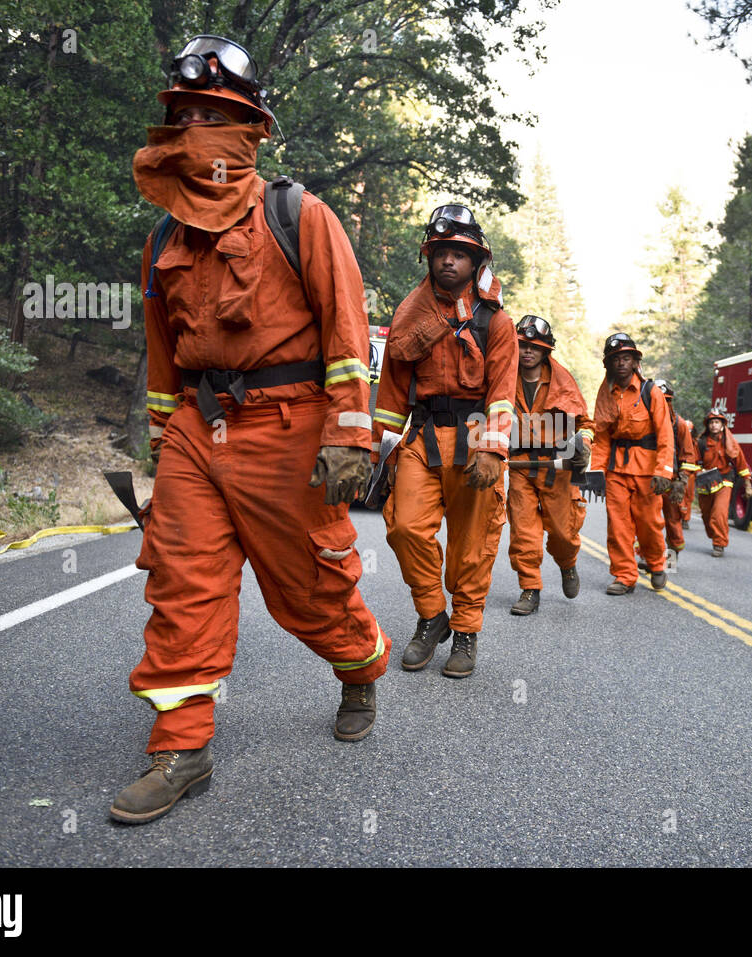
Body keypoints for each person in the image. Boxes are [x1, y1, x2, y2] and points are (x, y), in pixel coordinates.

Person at [113, 36, 388, 825]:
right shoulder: (163, 241)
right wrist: (165, 445)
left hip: (291, 430)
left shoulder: (298, 216)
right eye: (183, 116)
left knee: (311, 587)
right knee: (181, 581)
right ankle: (181, 745)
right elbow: (163, 355)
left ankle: (359, 664)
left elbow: (345, 331)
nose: (193, 131)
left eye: (213, 116)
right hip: (203, 429)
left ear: (249, 129)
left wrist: (348, 434)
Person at [374, 204, 518, 677]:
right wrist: (383, 455)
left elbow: (502, 392)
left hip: (476, 434)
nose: (449, 261)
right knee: (404, 527)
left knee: (471, 546)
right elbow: (392, 396)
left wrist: (494, 449)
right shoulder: (408, 315)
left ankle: (466, 632)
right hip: (422, 434)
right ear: (429, 257)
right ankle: (432, 616)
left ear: (476, 262)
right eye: (441, 252)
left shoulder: (496, 322)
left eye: (460, 253)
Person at [506, 315, 594, 615]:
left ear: (546, 351)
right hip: (519, 466)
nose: (527, 351)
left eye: (534, 347)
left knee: (562, 532)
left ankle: (567, 564)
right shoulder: (504, 376)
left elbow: (585, 423)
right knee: (523, 531)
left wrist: (584, 443)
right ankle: (530, 587)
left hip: (557, 467)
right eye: (522, 345)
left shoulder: (562, 380)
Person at [591, 333, 674, 594]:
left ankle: (658, 564)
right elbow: (602, 436)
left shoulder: (651, 392)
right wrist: (596, 472)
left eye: (626, 358)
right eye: (616, 359)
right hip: (616, 470)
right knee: (618, 526)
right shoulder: (606, 394)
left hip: (648, 471)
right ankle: (624, 575)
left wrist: (664, 471)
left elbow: (665, 435)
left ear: (635, 361)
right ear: (609, 364)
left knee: (649, 523)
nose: (621, 364)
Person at [696, 409, 752, 557]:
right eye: (712, 422)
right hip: (706, 483)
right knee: (707, 515)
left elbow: (741, 463)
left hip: (724, 481)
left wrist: (747, 483)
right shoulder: (701, 443)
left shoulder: (730, 442)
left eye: (717, 422)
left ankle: (719, 544)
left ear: (722, 425)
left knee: (719, 513)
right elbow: (693, 462)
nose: (714, 425)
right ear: (707, 425)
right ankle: (714, 535)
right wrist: (698, 471)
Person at [656, 381, 700, 566]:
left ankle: (671, 560)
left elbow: (689, 457)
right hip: (649, 481)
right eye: (658, 401)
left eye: (666, 401)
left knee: (673, 523)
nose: (662, 405)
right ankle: (650, 559)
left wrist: (681, 482)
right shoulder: (643, 423)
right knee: (647, 522)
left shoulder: (679, 425)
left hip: (671, 481)